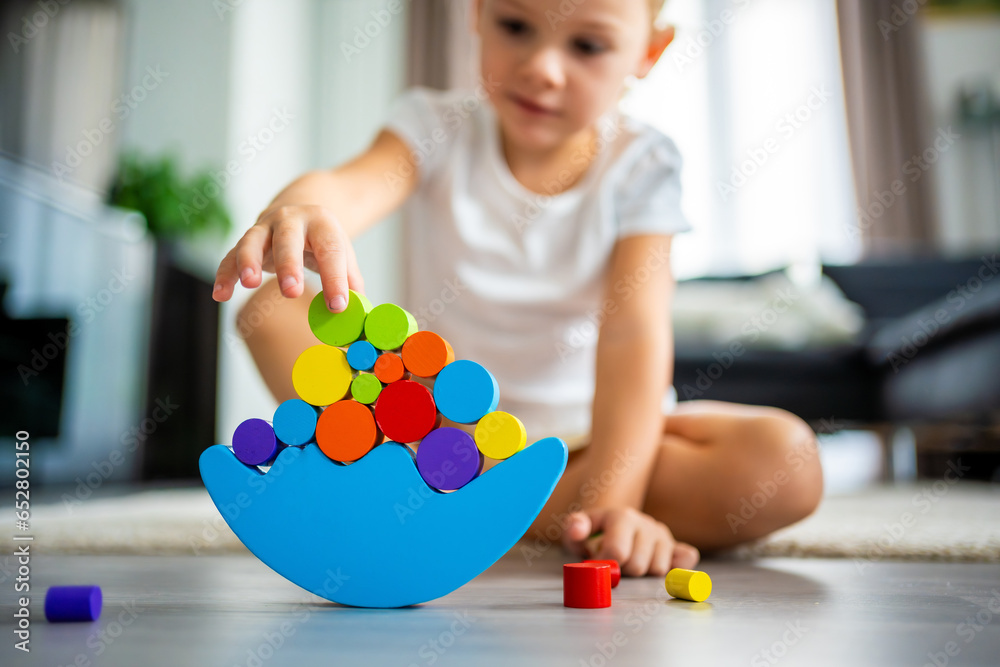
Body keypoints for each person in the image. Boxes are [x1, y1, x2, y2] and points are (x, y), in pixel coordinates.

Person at [212, 0, 823, 577]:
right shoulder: (433, 126)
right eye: (515, 26)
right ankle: (471, 497)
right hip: (434, 434)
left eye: (587, 45)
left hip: (588, 446)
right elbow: (352, 186)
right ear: (478, 12)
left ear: (649, 53)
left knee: (786, 462)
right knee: (270, 309)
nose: (541, 69)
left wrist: (611, 506)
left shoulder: (642, 165)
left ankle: (482, 508)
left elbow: (633, 333)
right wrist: (298, 211)